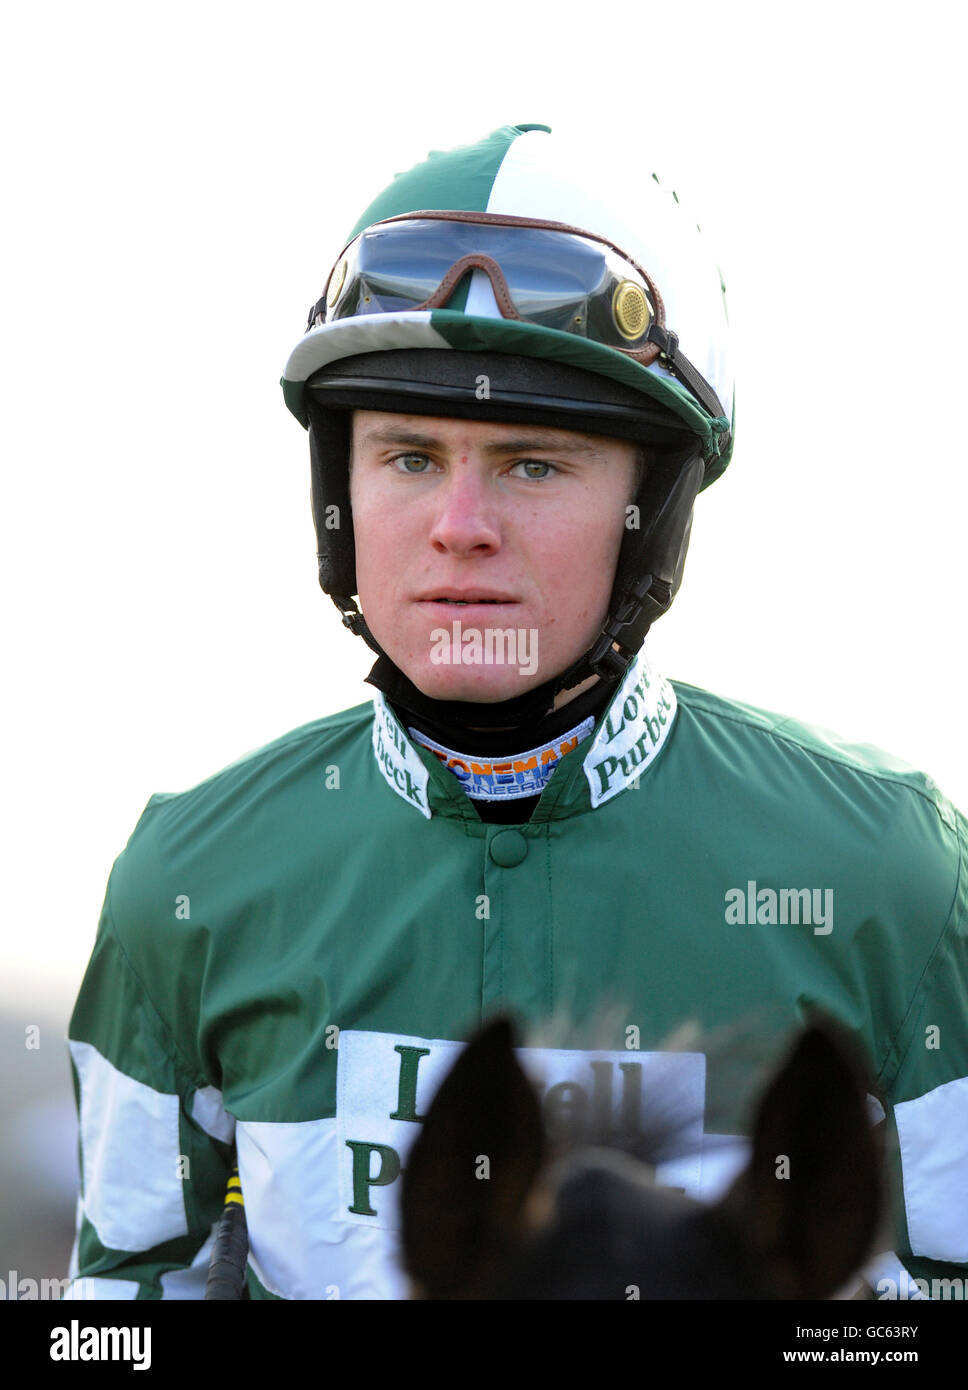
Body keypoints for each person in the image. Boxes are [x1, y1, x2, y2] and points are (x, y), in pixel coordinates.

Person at [65, 123, 968, 1301]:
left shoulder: (894, 873)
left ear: (650, 511)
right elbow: (122, 1309)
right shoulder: (184, 878)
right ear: (337, 495)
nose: (459, 526)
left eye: (532, 464)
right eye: (406, 457)